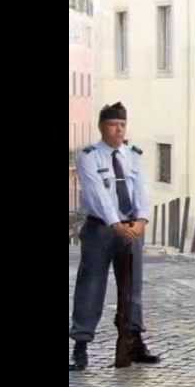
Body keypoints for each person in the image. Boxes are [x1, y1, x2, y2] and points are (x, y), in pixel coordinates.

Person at [69, 102, 161, 370]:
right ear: (101, 127)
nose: (118, 129)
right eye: (113, 124)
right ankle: (80, 345)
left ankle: (134, 342)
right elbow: (97, 194)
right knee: (91, 286)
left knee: (133, 288)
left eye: (122, 124)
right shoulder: (89, 156)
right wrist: (115, 224)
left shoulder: (133, 154)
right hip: (101, 229)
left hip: (132, 229)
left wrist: (142, 220)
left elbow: (142, 189)